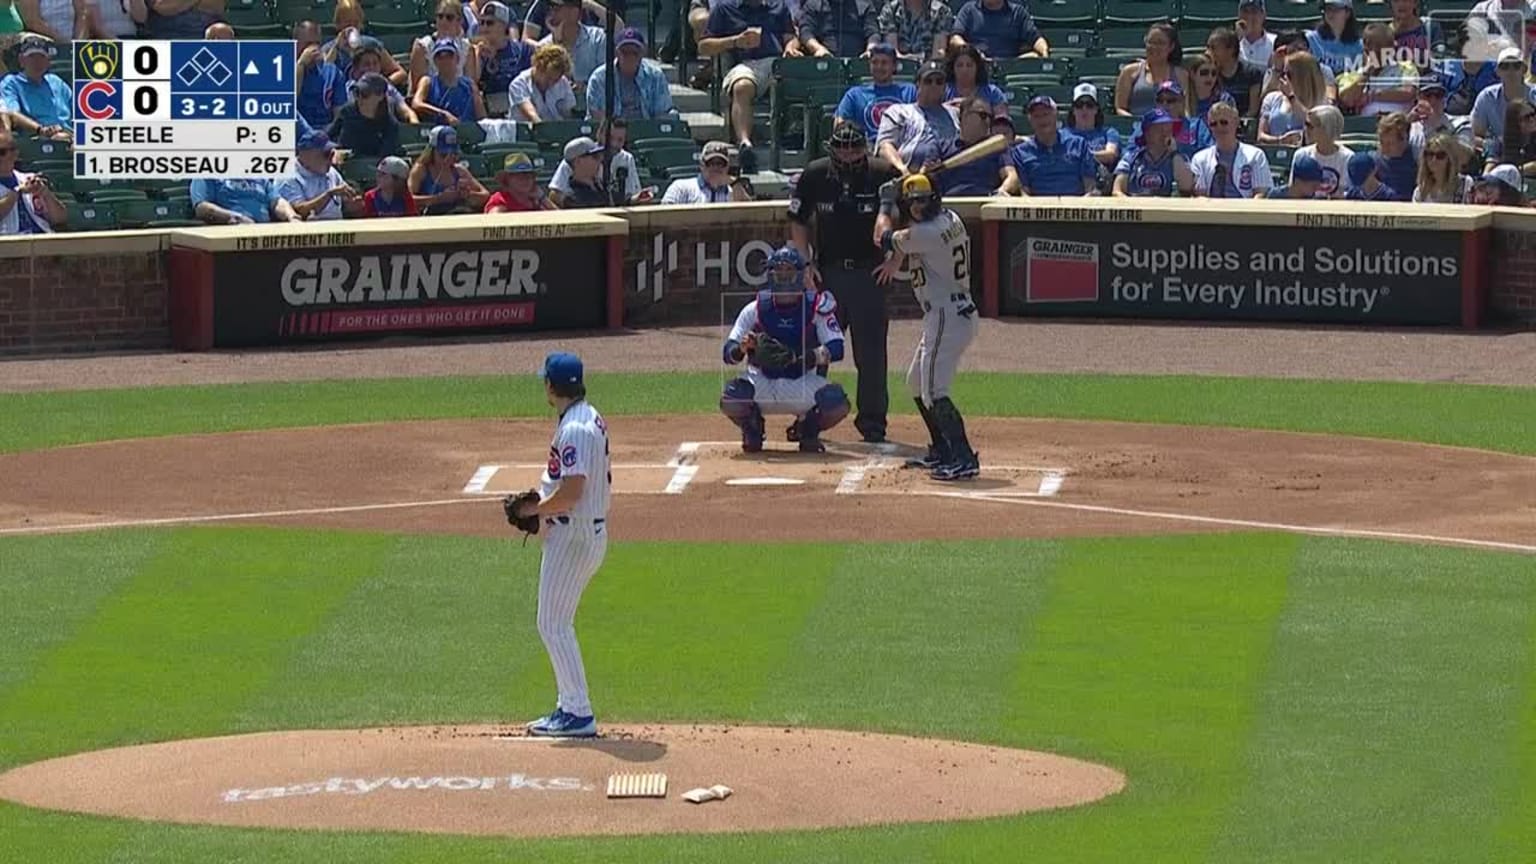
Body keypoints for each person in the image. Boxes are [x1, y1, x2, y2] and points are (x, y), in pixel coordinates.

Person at [513, 352, 611, 740]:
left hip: (574, 536)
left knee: (553, 624)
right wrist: (542, 503)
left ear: (552, 386)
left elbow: (572, 492)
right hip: (579, 532)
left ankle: (577, 713)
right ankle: (569, 706)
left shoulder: (575, 429)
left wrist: (534, 510)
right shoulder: (586, 417)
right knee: (555, 623)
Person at [788, 121, 903, 444]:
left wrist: (896, 260)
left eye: (854, 147)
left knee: (872, 355)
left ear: (864, 147)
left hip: (870, 274)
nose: (848, 153)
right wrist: (805, 264)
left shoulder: (882, 173)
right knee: (817, 350)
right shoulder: (815, 174)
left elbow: (908, 217)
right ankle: (807, 417)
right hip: (829, 275)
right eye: (842, 146)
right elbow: (797, 221)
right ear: (832, 147)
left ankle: (873, 424)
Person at [872, 173, 978, 481]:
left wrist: (886, 202)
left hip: (947, 314)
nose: (918, 207)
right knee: (917, 383)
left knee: (933, 390)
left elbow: (882, 237)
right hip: (951, 312)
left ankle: (964, 457)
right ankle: (942, 449)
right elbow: (907, 239)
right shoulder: (950, 219)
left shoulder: (926, 233)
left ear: (934, 199)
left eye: (923, 201)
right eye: (913, 202)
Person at [718, 246, 851, 453]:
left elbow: (837, 347)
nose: (784, 276)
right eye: (778, 270)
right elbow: (728, 352)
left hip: (801, 381)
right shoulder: (756, 308)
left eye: (789, 270)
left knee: (836, 402)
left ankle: (807, 429)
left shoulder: (816, 306)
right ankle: (752, 428)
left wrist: (806, 357)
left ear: (800, 274)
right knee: (732, 397)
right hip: (762, 379)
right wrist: (742, 348)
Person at [698, 0, 800, 175]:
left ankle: (797, 134)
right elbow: (704, 46)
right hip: (744, 64)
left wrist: (790, 48)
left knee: (802, 75)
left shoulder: (778, 6)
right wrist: (735, 41)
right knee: (742, 85)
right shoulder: (724, 8)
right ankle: (745, 145)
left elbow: (790, 37)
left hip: (776, 62)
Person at [876, 58, 959, 174]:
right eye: (928, 81)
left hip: (951, 174)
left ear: (945, 87)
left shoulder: (956, 114)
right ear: (918, 84)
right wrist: (902, 169)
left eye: (939, 82)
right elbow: (885, 146)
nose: (934, 85)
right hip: (909, 176)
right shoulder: (899, 112)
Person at [1005, 95, 1097, 196]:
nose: (1042, 120)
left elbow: (1090, 187)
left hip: (1077, 203)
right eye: (1036, 116)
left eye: (1046, 114)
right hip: (1037, 204)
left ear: (1055, 115)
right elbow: (1024, 192)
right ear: (1030, 120)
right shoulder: (1021, 152)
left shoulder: (1078, 145)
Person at [586, 27, 676, 122]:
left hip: (646, 128)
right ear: (617, 53)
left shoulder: (655, 76)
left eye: (635, 53)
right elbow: (595, 114)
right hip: (611, 129)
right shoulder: (600, 78)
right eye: (625, 52)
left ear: (642, 54)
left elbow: (663, 112)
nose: (630, 57)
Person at [927, 96, 1013, 195]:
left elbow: (1012, 177)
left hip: (985, 201)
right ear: (964, 116)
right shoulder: (941, 147)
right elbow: (926, 177)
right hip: (948, 201)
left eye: (990, 117)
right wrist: (930, 173)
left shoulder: (996, 147)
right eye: (983, 115)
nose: (987, 121)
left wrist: (1001, 191)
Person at [551, 118, 647, 204]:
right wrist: (572, 206)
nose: (614, 144)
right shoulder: (579, 153)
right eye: (610, 138)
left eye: (620, 140)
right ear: (600, 134)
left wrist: (636, 199)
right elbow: (555, 193)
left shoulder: (626, 158)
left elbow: (629, 195)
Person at [835, 43, 915, 143]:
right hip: (866, 148)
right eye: (874, 62)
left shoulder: (909, 91)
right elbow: (839, 123)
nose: (879, 67)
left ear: (894, 66)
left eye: (884, 63)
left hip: (902, 146)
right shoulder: (854, 95)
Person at [1192, 101, 1273, 197]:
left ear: (1236, 122)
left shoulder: (1255, 156)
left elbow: (1261, 193)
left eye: (1224, 122)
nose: (1219, 127)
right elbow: (1200, 195)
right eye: (1213, 124)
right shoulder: (1199, 159)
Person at [1337, 22, 1418, 117]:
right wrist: (1366, 74)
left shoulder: (1406, 67)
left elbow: (1408, 93)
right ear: (1366, 49)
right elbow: (1347, 100)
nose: (1385, 53)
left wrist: (1371, 96)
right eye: (1378, 49)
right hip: (1367, 123)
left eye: (1388, 48)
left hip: (1397, 121)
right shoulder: (1354, 74)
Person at [278, 132, 361, 221]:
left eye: (332, 154)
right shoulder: (289, 176)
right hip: (308, 228)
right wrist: (329, 194)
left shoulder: (331, 171)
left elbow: (345, 205)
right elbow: (299, 211)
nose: (331, 159)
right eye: (326, 154)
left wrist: (351, 203)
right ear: (306, 155)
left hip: (337, 225)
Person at [1112, 108, 1195, 196]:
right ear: (1147, 133)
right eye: (1159, 129)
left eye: (1168, 128)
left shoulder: (1180, 158)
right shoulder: (1131, 158)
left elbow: (1186, 187)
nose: (1164, 133)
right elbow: (1117, 191)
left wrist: (1174, 153)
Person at [0, 35, 69, 140]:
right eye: (31, 57)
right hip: (36, 139)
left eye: (41, 57)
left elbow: (78, 108)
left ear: (48, 61)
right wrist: (40, 129)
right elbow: (11, 113)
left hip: (70, 134)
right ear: (21, 60)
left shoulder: (56, 82)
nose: (37, 62)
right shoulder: (11, 83)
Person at [409, 125, 490, 214]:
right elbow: (408, 200)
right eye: (443, 155)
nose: (448, 159)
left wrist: (468, 194)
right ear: (432, 151)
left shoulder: (459, 170)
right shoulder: (421, 170)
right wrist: (439, 198)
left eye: (453, 154)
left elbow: (485, 195)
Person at [1115, 22, 1189, 117]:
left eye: (1160, 43)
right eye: (1150, 42)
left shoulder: (1181, 74)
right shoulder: (1129, 72)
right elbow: (1120, 108)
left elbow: (1185, 109)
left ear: (1171, 47)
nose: (1154, 47)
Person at [476, 1, 534, 117]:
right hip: (491, 113)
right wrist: (478, 56)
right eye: (482, 23)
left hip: (519, 109)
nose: (484, 27)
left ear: (504, 25)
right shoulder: (475, 53)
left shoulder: (523, 50)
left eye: (490, 23)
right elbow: (474, 84)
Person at [0, 128, 63, 234]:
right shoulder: (22, 186)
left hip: (41, 236)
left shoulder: (28, 179)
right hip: (10, 240)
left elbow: (59, 219)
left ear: (15, 153)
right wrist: (18, 192)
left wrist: (45, 193)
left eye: (1, 152)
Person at [1258, 49, 1327, 144]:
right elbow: (1261, 136)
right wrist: (1281, 140)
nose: (1284, 77)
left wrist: (1292, 97)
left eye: (1289, 74)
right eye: (1283, 73)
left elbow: (1315, 124)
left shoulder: (1322, 102)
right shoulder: (1271, 98)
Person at [413, 38, 486, 124]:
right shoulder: (427, 82)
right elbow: (416, 103)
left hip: (466, 128)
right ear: (435, 61)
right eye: (440, 57)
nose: (445, 60)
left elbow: (482, 117)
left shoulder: (470, 85)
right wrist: (443, 114)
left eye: (449, 56)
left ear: (457, 59)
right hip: (438, 129)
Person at [328, 72, 400, 159]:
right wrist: (334, 150)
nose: (359, 98)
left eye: (365, 94)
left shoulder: (389, 125)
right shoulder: (347, 112)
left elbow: (385, 157)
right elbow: (329, 136)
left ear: (380, 96)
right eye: (357, 93)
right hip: (345, 163)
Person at [1473, 46, 1536, 140]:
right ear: (1497, 71)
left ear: (1524, 70)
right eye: (1505, 66)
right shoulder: (1486, 97)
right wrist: (1493, 145)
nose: (1510, 71)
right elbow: (1477, 135)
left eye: (1516, 65)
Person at [413, 0, 478, 91]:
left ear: (459, 21)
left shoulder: (467, 48)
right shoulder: (422, 47)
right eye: (440, 16)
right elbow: (417, 88)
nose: (443, 21)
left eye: (449, 17)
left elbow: (471, 88)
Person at [538, 0, 607, 85]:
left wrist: (585, 87)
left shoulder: (598, 39)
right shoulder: (543, 48)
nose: (552, 13)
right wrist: (558, 42)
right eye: (550, 8)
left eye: (556, 8)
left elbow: (604, 82)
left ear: (575, 12)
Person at [661, 140, 753, 203]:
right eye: (711, 163)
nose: (716, 168)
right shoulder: (681, 188)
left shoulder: (734, 191)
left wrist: (734, 183)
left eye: (720, 163)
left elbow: (750, 215)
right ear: (702, 165)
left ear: (727, 166)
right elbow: (663, 215)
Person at [953, 0, 1047, 59]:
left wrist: (1044, 53)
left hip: (1009, 64)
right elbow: (955, 38)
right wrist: (973, 52)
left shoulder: (1017, 12)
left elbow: (1036, 38)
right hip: (978, 64)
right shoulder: (969, 10)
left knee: (1034, 56)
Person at [1294, 103, 1353, 196]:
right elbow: (1294, 192)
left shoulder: (1348, 158)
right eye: (1305, 124)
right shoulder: (1301, 155)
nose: (1305, 129)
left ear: (1326, 128)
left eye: (1310, 126)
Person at [510, 43, 579, 122]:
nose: (551, 83)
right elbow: (531, 115)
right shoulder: (518, 85)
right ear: (538, 67)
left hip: (558, 127)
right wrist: (546, 129)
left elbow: (569, 115)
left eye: (555, 80)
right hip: (529, 128)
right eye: (548, 78)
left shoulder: (563, 82)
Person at [1067, 83, 1121, 178]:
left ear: (1096, 109)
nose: (1084, 109)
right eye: (1079, 105)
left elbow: (1111, 155)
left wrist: (1081, 157)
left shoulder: (1109, 133)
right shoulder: (1063, 134)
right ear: (1073, 110)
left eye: (1089, 105)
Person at [1207, 26, 1265, 116]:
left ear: (1231, 49)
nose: (1208, 52)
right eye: (1208, 47)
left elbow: (1252, 111)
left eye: (1213, 48)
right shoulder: (1208, 74)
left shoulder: (1252, 73)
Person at [191, 177, 300, 224]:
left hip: (264, 231)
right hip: (231, 231)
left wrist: (292, 216)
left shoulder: (260, 177)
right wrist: (236, 218)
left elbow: (277, 201)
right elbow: (201, 207)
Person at [1408, 78, 1469, 159]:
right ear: (1418, 98)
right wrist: (1405, 124)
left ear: (1444, 100)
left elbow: (1465, 157)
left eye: (1438, 95)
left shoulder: (1460, 125)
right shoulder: (1410, 127)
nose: (1433, 101)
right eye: (1428, 95)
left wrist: (1436, 125)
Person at [799, 0, 879, 57]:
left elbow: (873, 33)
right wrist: (817, 49)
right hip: (824, 62)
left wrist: (870, 50)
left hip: (858, 61)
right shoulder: (814, 4)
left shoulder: (865, 4)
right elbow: (806, 33)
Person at [878, 0, 954, 60]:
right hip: (898, 68)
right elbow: (892, 53)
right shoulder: (891, 10)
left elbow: (938, 54)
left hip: (929, 70)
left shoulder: (941, 11)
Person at [945, 43, 1008, 113]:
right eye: (959, 65)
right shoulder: (944, 92)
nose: (964, 70)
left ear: (977, 68)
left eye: (969, 65)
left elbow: (1002, 117)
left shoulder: (993, 93)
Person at [1306, 0, 1363, 77]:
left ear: (1347, 13)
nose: (1330, 14)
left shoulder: (1359, 46)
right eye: (1328, 9)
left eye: (1336, 9)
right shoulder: (1311, 39)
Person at [553, 135, 612, 207]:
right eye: (595, 156)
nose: (600, 160)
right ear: (578, 161)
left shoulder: (601, 187)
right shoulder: (573, 198)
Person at [1413, 133, 1474, 202]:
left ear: (1450, 159)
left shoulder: (1465, 184)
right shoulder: (1420, 192)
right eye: (1430, 154)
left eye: (1440, 155)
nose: (1434, 160)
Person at [486, 151, 554, 211]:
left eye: (529, 176)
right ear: (507, 179)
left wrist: (542, 198)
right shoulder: (500, 200)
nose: (525, 180)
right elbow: (493, 219)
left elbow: (558, 217)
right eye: (519, 176)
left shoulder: (536, 200)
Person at [1373, 110, 1417, 200]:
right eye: (1381, 142)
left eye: (1389, 144)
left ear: (1404, 140)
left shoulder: (1417, 160)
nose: (1384, 148)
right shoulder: (1374, 162)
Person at [1390, 0, 1441, 72]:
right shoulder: (1384, 33)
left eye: (1405, 1)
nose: (1401, 4)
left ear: (1415, 3)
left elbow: (1440, 59)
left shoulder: (1430, 27)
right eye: (1396, 1)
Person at [1486, 99, 1536, 173]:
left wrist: (1516, 171)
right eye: (1526, 117)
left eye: (1533, 114)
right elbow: (1489, 168)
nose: (1532, 119)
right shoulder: (1500, 143)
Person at [1238, 0, 1275, 68]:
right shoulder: (1231, 45)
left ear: (1263, 15)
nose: (1249, 16)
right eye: (1245, 11)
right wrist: (1236, 39)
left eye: (1254, 11)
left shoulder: (1275, 43)